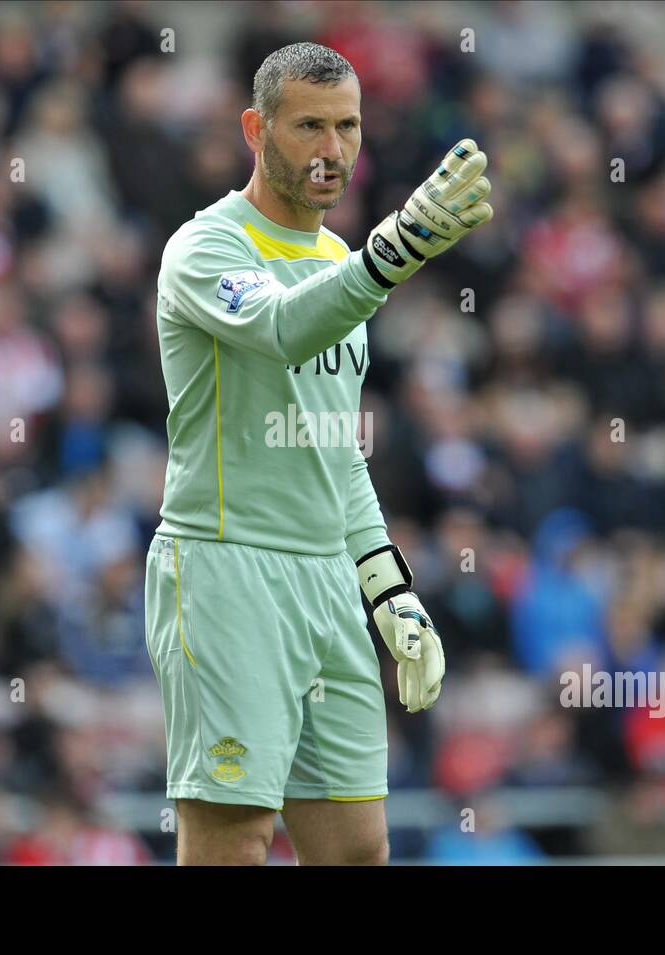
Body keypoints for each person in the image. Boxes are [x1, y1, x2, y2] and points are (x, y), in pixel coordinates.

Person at [144, 42, 493, 865]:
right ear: (254, 128)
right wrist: (398, 248)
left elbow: (336, 449)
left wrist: (387, 585)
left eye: (347, 127)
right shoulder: (207, 250)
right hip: (227, 570)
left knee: (356, 849)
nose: (331, 150)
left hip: (325, 581)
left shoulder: (340, 262)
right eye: (308, 127)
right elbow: (282, 325)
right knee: (235, 840)